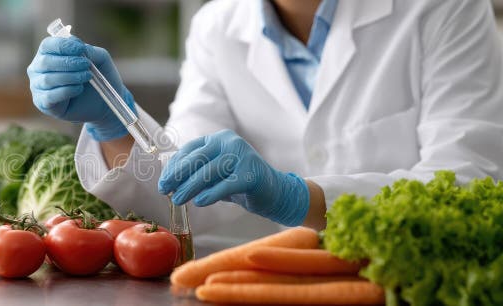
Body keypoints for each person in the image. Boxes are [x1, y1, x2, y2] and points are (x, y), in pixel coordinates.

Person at [27, 0, 503, 248]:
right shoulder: (216, 26)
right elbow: (184, 186)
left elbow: (470, 184)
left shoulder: (446, 9)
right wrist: (115, 127)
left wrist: (298, 196)